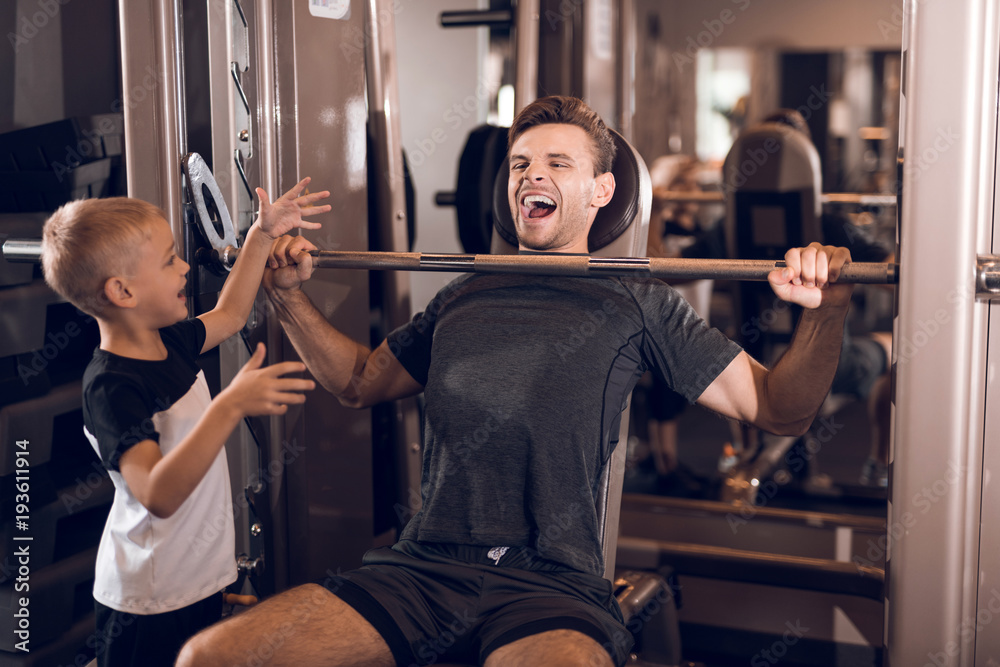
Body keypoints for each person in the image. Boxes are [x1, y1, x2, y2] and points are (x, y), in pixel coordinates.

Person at [176, 95, 856, 667]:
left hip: (550, 586)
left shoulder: (638, 301)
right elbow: (358, 381)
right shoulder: (463, 295)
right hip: (422, 570)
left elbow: (780, 409)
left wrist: (826, 313)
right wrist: (289, 297)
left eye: (559, 163)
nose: (533, 174)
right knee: (210, 656)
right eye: (521, 163)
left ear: (601, 191)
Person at [40, 178, 329, 667]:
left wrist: (262, 234)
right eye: (169, 260)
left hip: (195, 581)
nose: (185, 267)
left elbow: (231, 314)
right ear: (122, 291)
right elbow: (157, 493)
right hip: (148, 600)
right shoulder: (111, 387)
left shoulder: (168, 341)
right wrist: (229, 407)